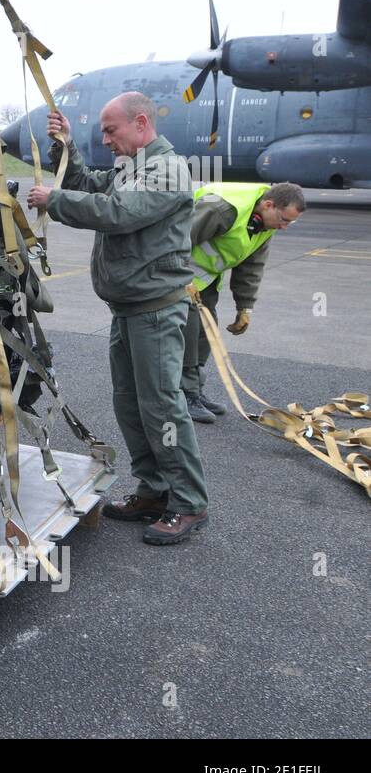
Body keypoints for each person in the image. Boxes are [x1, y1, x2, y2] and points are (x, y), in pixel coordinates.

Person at [26, 92, 208, 545]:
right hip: (128, 309)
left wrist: (55, 200)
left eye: (111, 131)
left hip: (156, 312)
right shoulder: (135, 167)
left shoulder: (166, 171)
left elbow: (119, 213)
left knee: (162, 406)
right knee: (131, 405)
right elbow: (89, 182)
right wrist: (65, 147)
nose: (106, 139)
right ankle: (153, 490)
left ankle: (187, 502)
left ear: (140, 123)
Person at [182, 181, 306, 422]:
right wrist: (180, 277)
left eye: (291, 222)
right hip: (179, 276)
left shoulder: (265, 224)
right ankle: (184, 395)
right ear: (269, 205)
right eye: (284, 220)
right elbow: (177, 239)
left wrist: (244, 307)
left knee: (207, 333)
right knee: (189, 330)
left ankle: (194, 389)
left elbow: (251, 267)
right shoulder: (223, 209)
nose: (285, 227)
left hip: (204, 281)